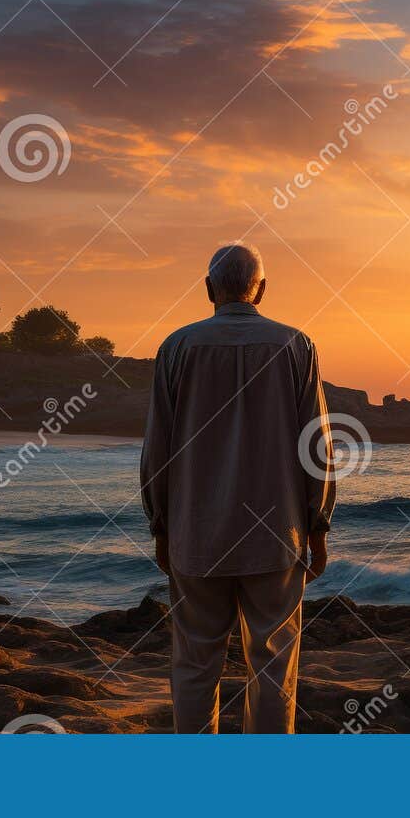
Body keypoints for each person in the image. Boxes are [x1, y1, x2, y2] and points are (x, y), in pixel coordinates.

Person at [139, 242, 335, 733]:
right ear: (262, 290)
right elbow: (317, 448)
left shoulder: (177, 348)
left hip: (195, 532)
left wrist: (160, 525)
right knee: (273, 667)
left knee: (194, 663)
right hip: (277, 534)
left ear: (208, 289)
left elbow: (156, 449)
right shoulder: (296, 346)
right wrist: (318, 524)